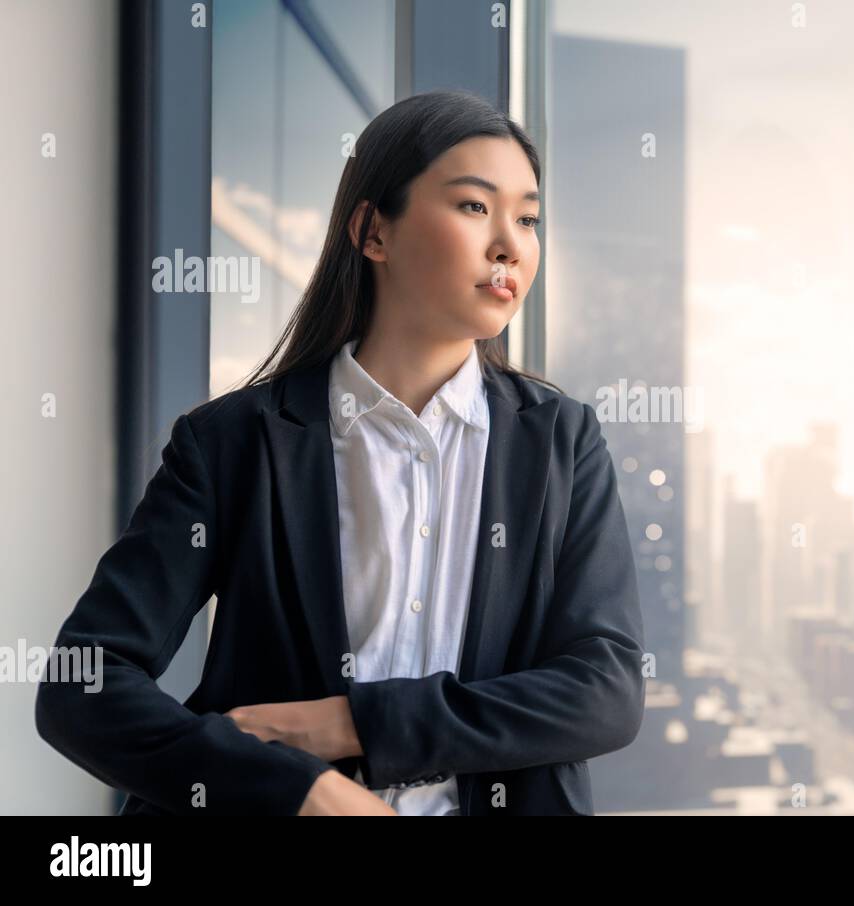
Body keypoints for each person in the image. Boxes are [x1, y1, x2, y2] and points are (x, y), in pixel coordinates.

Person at [35, 89, 647, 816]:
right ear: (372, 231)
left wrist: (349, 725)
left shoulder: (560, 440)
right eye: (475, 207)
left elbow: (606, 689)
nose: (510, 245)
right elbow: (82, 684)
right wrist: (300, 791)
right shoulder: (234, 441)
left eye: (529, 217)